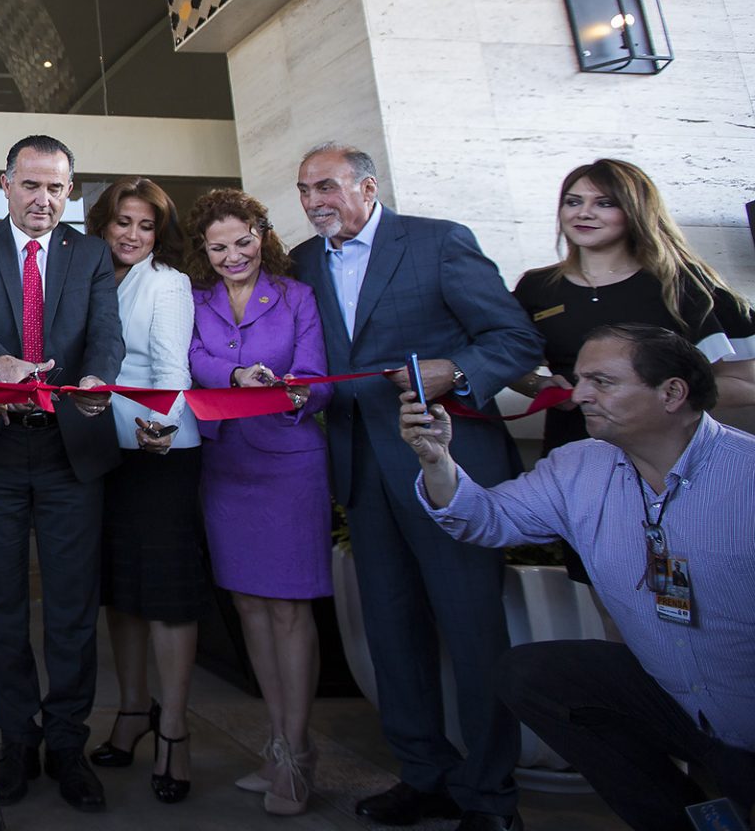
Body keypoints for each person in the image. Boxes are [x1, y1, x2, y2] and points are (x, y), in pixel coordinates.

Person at [406, 324, 755, 831]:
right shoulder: (578, 468)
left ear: (672, 393)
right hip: (679, 703)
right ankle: (680, 822)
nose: (577, 394)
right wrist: (437, 461)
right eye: (580, 378)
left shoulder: (746, 475)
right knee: (535, 675)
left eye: (602, 382)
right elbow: (484, 519)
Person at [288, 143, 543, 831]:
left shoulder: (438, 243)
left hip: (448, 469)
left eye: (327, 187)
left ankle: (491, 797)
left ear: (368, 187)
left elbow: (515, 340)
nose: (314, 201)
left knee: (472, 632)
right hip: (362, 474)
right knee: (392, 636)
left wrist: (452, 370)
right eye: (305, 190)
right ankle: (424, 775)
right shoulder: (304, 263)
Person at [0, 134, 122, 813]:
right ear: (6, 184)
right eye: (31, 185)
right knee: (2, 606)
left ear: (69, 192)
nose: (44, 199)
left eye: (56, 188)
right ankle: (16, 738)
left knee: (73, 610)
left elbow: (106, 329)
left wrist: (100, 374)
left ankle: (69, 744)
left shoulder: (91, 254)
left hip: (70, 452)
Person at [184, 188, 332, 816]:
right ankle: (275, 744)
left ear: (261, 235)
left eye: (242, 241)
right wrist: (231, 378)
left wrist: (295, 391)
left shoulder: (296, 296)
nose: (231, 255)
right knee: (248, 605)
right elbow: (191, 362)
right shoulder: (196, 302)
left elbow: (319, 376)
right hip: (226, 464)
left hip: (289, 463)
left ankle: (297, 753)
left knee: (290, 612)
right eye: (218, 247)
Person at [82, 180, 199, 801]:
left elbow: (172, 368)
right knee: (121, 594)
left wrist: (166, 424)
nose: (132, 234)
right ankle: (132, 712)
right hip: (107, 453)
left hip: (160, 453)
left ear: (159, 234)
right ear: (103, 226)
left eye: (145, 226)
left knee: (166, 598)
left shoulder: (167, 284)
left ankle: (175, 731)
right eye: (122, 222)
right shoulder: (97, 279)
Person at [512, 158, 754, 451]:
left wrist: (655, 397)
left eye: (604, 203)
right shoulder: (536, 286)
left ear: (635, 211)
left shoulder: (682, 284)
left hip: (668, 457)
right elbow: (504, 362)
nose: (584, 213)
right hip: (572, 453)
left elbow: (747, 384)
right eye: (573, 202)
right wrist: (538, 386)